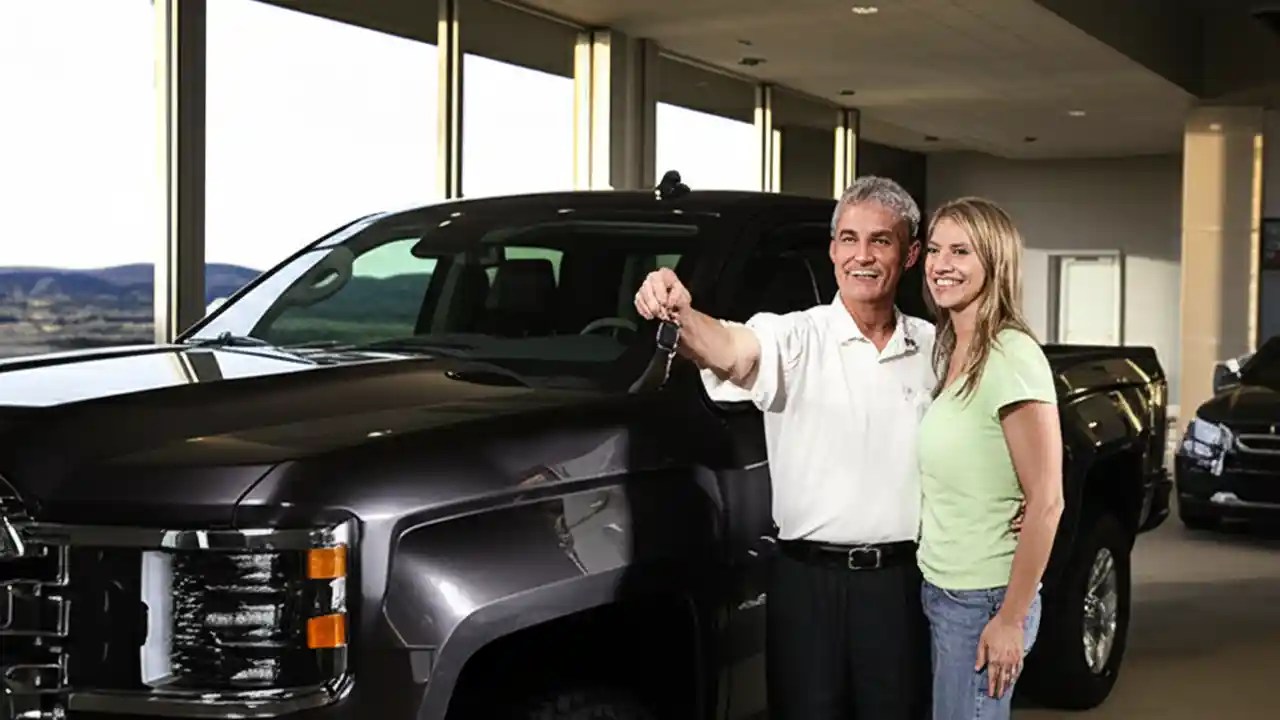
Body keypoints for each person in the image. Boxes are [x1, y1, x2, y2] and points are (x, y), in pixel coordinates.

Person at [634, 176, 935, 720]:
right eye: (848, 239)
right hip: (805, 586)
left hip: (901, 587)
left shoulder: (936, 348)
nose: (861, 256)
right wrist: (682, 312)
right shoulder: (797, 336)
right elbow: (733, 350)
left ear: (910, 253)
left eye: (880, 241)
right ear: (831, 249)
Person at [915, 197, 1064, 720]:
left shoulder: (1009, 355)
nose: (941, 264)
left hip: (984, 601)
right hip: (946, 589)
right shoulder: (952, 347)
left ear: (994, 262)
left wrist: (1010, 619)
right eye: (934, 249)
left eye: (961, 251)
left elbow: (1047, 501)